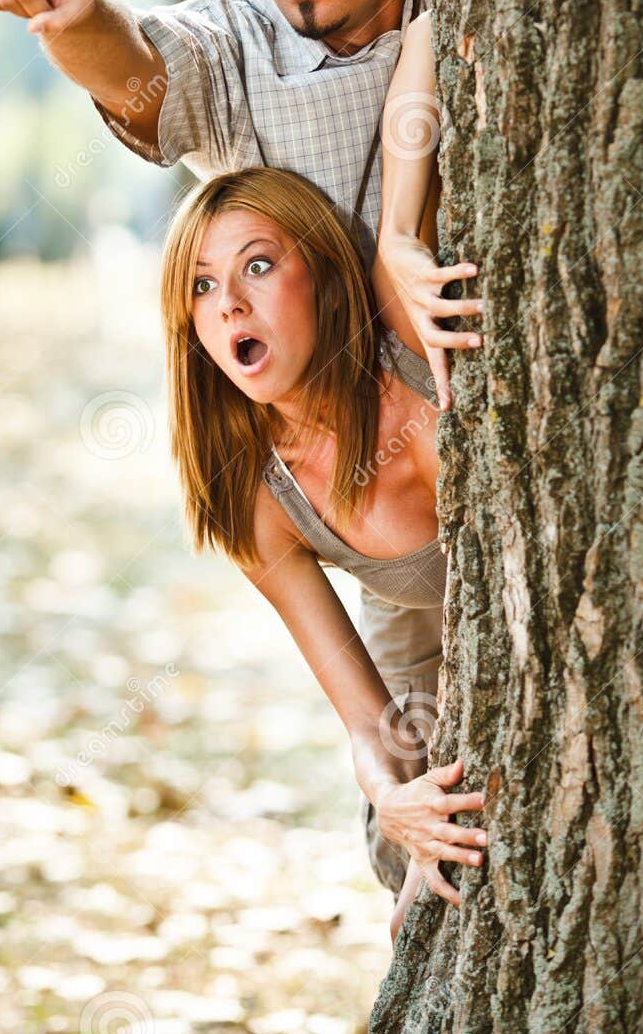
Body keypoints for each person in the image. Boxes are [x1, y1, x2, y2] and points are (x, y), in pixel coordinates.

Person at [0, 0, 480, 870]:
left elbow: (437, 40)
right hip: (374, 515)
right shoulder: (240, 50)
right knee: (417, 824)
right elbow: (145, 65)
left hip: (429, 398)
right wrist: (71, 17)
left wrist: (400, 231)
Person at [158, 164, 487, 940]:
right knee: (408, 832)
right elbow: (365, 723)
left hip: (514, 612)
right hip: (413, 616)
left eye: (259, 265)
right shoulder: (258, 498)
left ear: (326, 275)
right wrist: (392, 799)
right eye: (202, 287)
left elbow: (427, 45)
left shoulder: (407, 337)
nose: (230, 302)